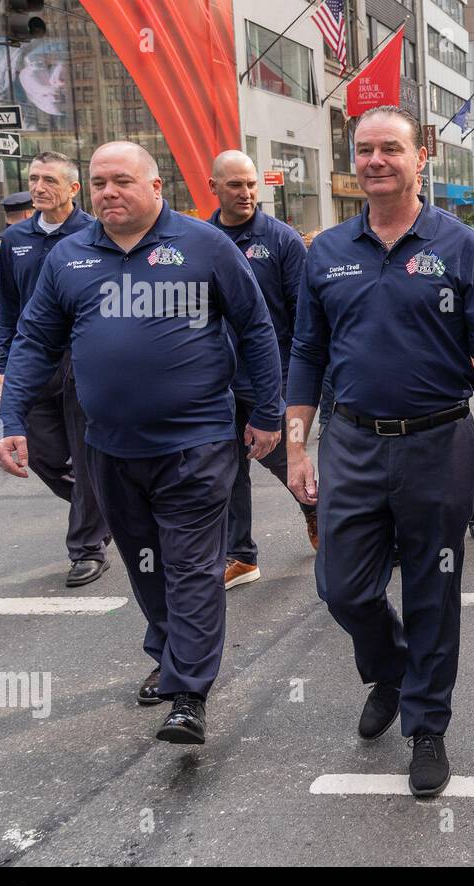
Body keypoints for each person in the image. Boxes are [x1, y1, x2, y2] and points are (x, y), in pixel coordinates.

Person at [0, 141, 284, 745]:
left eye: (121, 181)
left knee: (192, 565)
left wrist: (267, 411)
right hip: (111, 447)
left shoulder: (205, 247)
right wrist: (12, 415)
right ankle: (169, 651)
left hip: (198, 442)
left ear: (157, 188)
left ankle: (189, 692)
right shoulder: (69, 258)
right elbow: (34, 340)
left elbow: (255, 328)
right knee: (146, 563)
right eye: (99, 183)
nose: (107, 192)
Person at [285, 106, 474, 799]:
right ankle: (390, 668)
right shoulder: (325, 252)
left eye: (392, 148)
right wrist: (298, 445)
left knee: (431, 589)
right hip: (351, 443)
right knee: (342, 586)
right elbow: (305, 353)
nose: (376, 160)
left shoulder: (460, 244)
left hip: (438, 443)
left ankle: (426, 726)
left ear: (423, 159)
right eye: (364, 150)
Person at [0, 150, 111, 587]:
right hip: (33, 358)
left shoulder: (95, 234)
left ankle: (86, 548)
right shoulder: (15, 241)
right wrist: (4, 364)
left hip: (82, 358)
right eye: (34, 178)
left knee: (86, 452)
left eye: (49, 180)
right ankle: (103, 506)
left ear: (74, 189)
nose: (39, 187)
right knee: (38, 453)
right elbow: (7, 309)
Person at [206, 151, 318, 588]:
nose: (247, 193)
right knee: (229, 469)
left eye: (252, 184)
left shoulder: (282, 240)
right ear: (214, 187)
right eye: (235, 185)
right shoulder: (200, 239)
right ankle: (240, 556)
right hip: (218, 383)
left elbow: (304, 316)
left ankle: (315, 507)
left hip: (279, 377)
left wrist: (301, 381)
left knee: (286, 457)